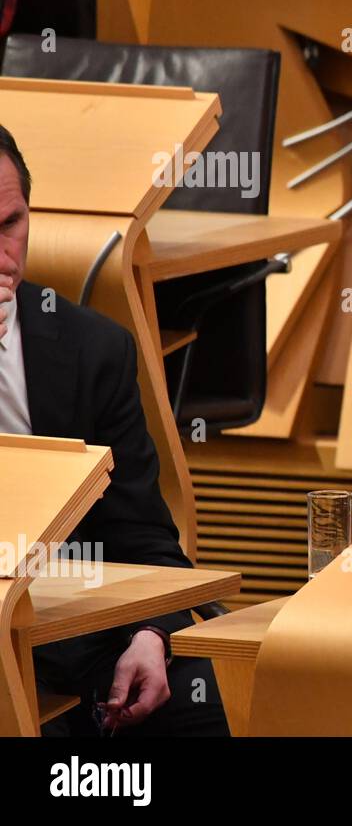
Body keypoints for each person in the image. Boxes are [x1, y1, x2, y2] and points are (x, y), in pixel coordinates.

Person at [0, 124, 228, 735]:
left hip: (66, 635)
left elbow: (145, 544)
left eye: (10, 226)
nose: (2, 256)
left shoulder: (92, 351)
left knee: (210, 698)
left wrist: (151, 635)